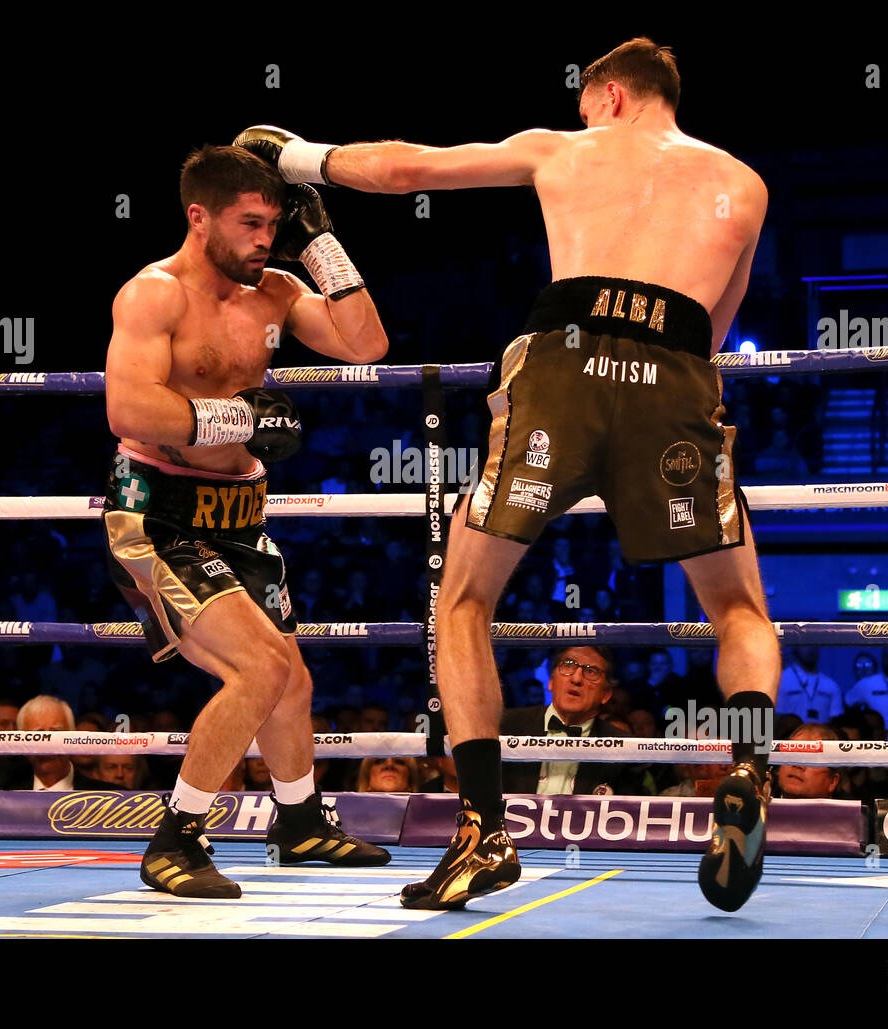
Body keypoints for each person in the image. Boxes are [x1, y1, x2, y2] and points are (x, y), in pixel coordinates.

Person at [237, 35, 778, 911]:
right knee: (739, 607)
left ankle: (485, 830)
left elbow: (408, 169)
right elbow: (713, 329)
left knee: (463, 598)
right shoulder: (744, 183)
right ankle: (751, 764)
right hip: (676, 376)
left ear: (606, 95)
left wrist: (298, 157)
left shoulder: (564, 148)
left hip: (563, 364)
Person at [102, 145, 391, 897]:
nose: (266, 238)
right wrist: (237, 415)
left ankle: (298, 822)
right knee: (258, 668)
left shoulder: (277, 289)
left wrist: (323, 242)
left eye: (276, 223)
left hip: (240, 516)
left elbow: (367, 344)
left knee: (291, 679)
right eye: (250, 223)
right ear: (199, 217)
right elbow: (129, 408)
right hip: (157, 517)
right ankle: (175, 838)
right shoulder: (153, 295)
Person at [500, 645, 641, 796]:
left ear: (605, 694)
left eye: (591, 672)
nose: (576, 679)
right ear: (551, 681)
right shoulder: (505, 725)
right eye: (568, 666)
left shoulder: (624, 749)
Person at [776, 646, 844, 723]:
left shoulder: (831, 685)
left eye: (814, 645)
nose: (811, 649)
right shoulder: (781, 680)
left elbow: (835, 719)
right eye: (805, 645)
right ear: (795, 649)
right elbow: (777, 716)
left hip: (822, 733)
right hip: (789, 734)